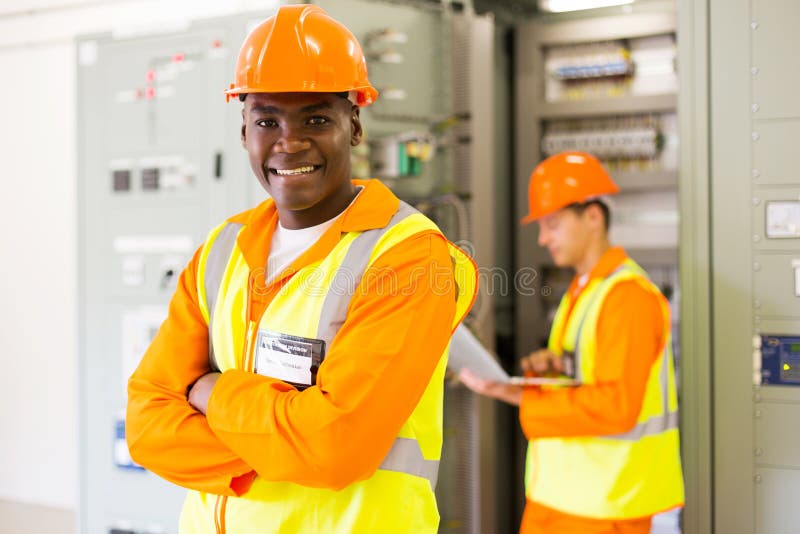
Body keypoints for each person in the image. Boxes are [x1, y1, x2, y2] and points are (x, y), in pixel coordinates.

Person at [126, 5, 477, 533]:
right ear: (244, 131)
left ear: (354, 126)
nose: (289, 141)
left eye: (316, 118)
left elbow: (335, 448)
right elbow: (147, 425)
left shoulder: (407, 258)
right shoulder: (221, 250)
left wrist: (210, 393)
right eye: (266, 119)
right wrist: (284, 443)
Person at [460, 151, 684, 534]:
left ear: (593, 216)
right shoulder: (582, 292)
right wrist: (553, 371)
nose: (544, 238)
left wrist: (523, 397)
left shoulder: (627, 297)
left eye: (553, 224)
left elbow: (616, 408)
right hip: (566, 501)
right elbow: (590, 376)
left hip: (609, 507)